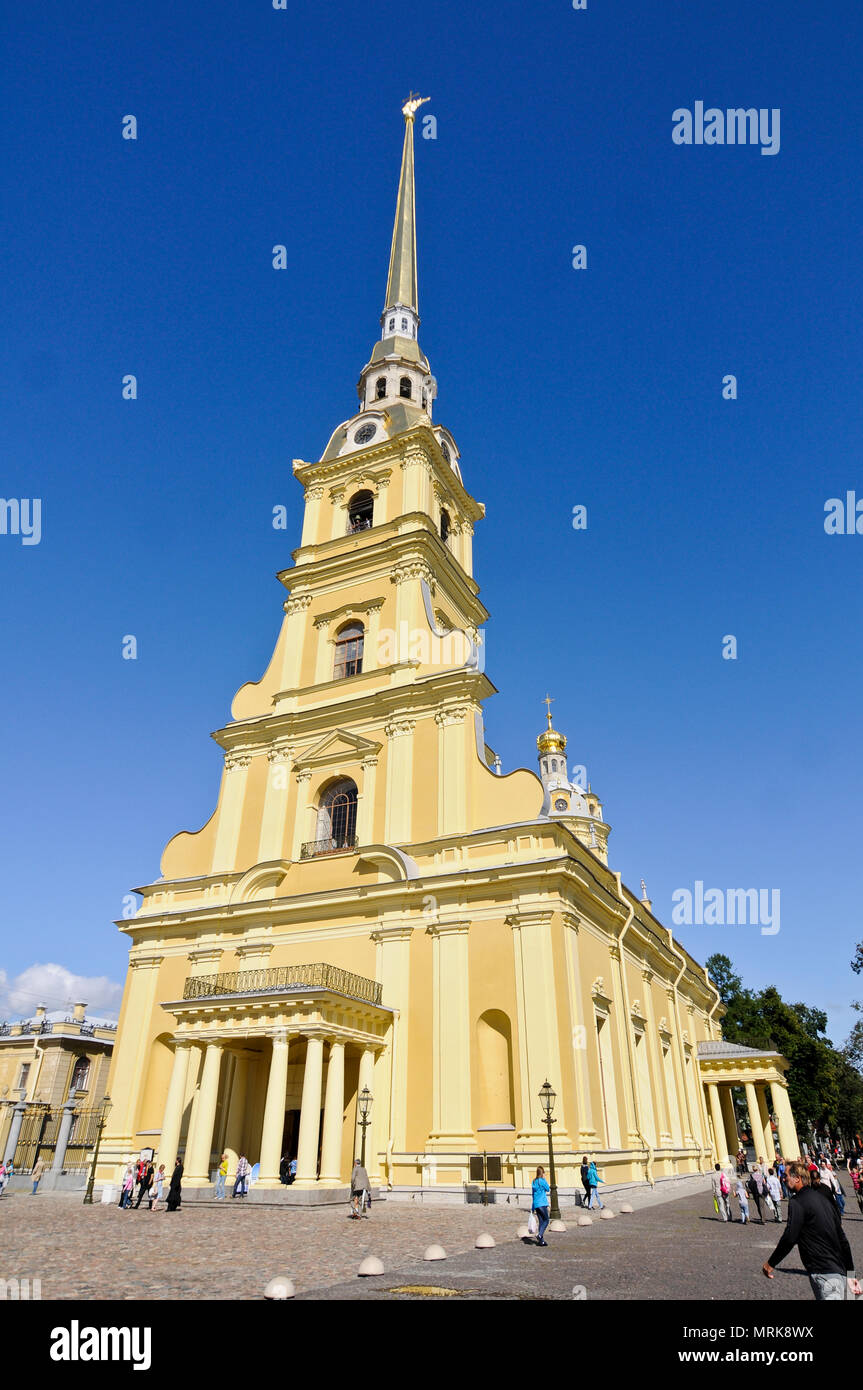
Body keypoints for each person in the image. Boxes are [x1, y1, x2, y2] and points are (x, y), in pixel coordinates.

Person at [763, 1161, 861, 1300]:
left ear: (797, 1178)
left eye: (786, 1176)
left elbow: (790, 1237)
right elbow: (843, 1240)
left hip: (822, 1272)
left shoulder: (797, 1202)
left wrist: (771, 1263)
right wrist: (851, 1275)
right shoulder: (824, 1200)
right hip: (839, 1271)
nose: (783, 1179)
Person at [531, 1165, 551, 1246]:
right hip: (542, 1204)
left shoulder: (534, 1182)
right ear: (542, 1173)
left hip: (536, 1204)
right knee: (546, 1220)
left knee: (541, 1222)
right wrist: (544, 1179)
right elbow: (548, 1188)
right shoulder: (542, 1181)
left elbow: (533, 1194)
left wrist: (533, 1207)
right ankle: (539, 1235)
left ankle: (541, 1241)